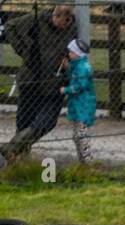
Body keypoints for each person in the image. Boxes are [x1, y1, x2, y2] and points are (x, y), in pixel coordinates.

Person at [1, 3, 77, 164]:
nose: (65, 26)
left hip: (55, 82)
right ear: (55, 16)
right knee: (24, 121)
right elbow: (9, 26)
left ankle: (11, 148)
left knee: (48, 121)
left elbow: (74, 48)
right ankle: (18, 161)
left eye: (69, 22)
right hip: (31, 78)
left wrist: (68, 60)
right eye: (64, 22)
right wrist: (24, 50)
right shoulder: (35, 20)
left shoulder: (72, 26)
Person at [61, 37, 95, 164]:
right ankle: (83, 161)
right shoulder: (77, 66)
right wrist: (68, 67)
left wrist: (66, 90)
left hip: (84, 106)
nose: (69, 54)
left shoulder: (83, 68)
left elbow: (80, 85)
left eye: (71, 52)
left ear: (77, 53)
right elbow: (74, 76)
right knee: (76, 136)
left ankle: (88, 163)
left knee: (81, 135)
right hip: (77, 105)